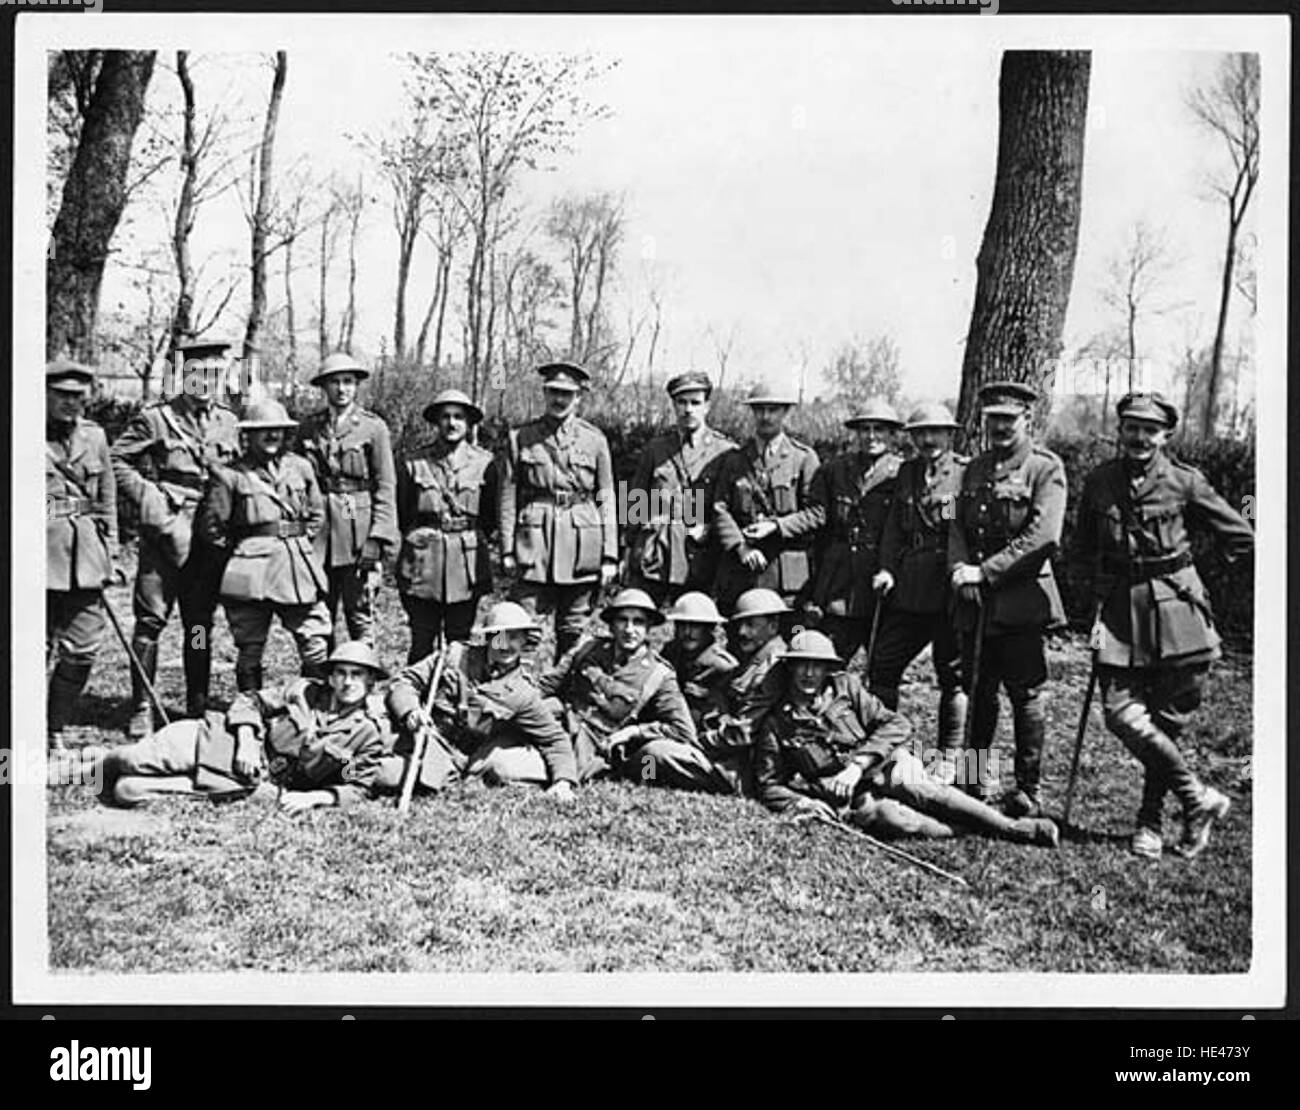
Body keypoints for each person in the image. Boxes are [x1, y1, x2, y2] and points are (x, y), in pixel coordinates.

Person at [1074, 392, 1253, 860]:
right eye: (1131, 427)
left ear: (1165, 435)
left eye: (1149, 430)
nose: (1139, 437)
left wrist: (1195, 576)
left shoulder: (1184, 482)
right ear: (1120, 430)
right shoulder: (1099, 482)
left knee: (1167, 723)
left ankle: (1150, 823)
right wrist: (1092, 594)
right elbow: (1082, 547)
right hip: (1120, 615)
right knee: (1122, 715)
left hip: (1179, 614)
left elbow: (1241, 534)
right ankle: (1197, 798)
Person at [752, 631, 1059, 847]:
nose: (809, 674)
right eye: (802, 665)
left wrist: (860, 764)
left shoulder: (847, 688)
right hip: (850, 798)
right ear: (790, 669)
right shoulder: (778, 723)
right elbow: (768, 784)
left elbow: (897, 723)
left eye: (816, 666)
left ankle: (1013, 828)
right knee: (896, 821)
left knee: (918, 786)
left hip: (880, 765)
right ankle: (967, 828)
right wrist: (803, 801)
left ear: (827, 669)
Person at [86, 642, 389, 813]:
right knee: (131, 760)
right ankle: (76, 768)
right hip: (223, 740)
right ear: (331, 677)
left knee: (128, 790)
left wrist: (314, 798)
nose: (348, 682)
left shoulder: (367, 733)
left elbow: (357, 786)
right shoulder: (304, 691)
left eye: (358, 675)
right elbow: (249, 701)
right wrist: (245, 740)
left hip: (250, 781)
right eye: (341, 673)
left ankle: (99, 766)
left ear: (370, 681)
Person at [110, 338, 242, 732]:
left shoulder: (229, 422)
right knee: (150, 622)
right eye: (198, 374)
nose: (206, 382)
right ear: (184, 376)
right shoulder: (157, 419)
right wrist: (149, 498)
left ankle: (197, 704)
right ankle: (141, 706)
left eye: (214, 375)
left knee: (199, 624)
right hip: (164, 534)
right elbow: (116, 460)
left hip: (209, 539)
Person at [948, 380, 1067, 816]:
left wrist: (986, 571)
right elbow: (956, 524)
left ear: (1027, 419)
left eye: (1008, 419)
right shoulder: (974, 469)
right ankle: (975, 779)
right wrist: (959, 570)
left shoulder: (1044, 468)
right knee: (979, 690)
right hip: (975, 600)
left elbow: (1044, 536)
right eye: (992, 419)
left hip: (1020, 601)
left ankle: (1026, 789)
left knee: (1026, 694)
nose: (999, 427)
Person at [195, 400, 331, 692]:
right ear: (248, 435)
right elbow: (212, 527)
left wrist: (302, 547)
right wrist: (242, 551)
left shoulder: (301, 467)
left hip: (296, 566)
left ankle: (314, 710)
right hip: (250, 570)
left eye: (277, 431)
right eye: (262, 431)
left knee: (315, 639)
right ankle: (251, 713)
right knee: (249, 646)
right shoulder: (229, 474)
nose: (271, 436)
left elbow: (317, 514)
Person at [377, 602, 577, 800]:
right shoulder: (455, 656)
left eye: (515, 637)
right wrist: (410, 711)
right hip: (418, 730)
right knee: (363, 729)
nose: (507, 645)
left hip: (448, 756)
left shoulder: (523, 693)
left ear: (525, 641)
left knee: (382, 772)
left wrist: (563, 782)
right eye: (501, 637)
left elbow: (554, 739)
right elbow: (405, 681)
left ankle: (346, 774)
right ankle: (347, 766)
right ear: (489, 638)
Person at [872, 401, 969, 783]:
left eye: (935, 432)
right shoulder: (907, 473)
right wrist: (886, 569)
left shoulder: (964, 474)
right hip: (909, 585)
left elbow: (964, 530)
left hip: (948, 585)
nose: (927, 440)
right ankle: (884, 744)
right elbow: (894, 529)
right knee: (883, 663)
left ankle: (948, 756)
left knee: (952, 672)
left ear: (949, 435)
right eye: (920, 433)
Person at [498, 362, 618, 658]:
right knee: (520, 624)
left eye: (567, 394)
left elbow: (608, 497)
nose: (559, 400)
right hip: (535, 544)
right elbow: (507, 495)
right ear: (544, 393)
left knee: (574, 631)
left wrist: (610, 554)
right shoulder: (521, 437)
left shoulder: (595, 439)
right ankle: (512, 691)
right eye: (553, 392)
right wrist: (506, 549)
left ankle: (568, 697)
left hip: (582, 546)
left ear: (579, 398)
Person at [534, 588, 696, 785]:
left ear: (648, 628)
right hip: (566, 726)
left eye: (638, 622)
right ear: (611, 625)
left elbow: (683, 731)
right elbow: (548, 684)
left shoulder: (659, 674)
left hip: (604, 745)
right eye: (622, 620)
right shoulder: (587, 648)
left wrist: (634, 732)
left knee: (650, 759)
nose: (629, 630)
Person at [298, 351, 399, 647]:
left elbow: (385, 485)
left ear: (356, 387)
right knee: (318, 611)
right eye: (334, 383)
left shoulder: (373, 427)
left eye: (348, 382)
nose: (342, 389)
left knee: (360, 612)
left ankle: (361, 679)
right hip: (319, 531)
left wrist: (377, 539)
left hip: (357, 524)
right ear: (323, 388)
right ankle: (320, 682)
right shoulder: (309, 427)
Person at [46, 359, 119, 748]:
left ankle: (54, 725)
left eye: (77, 397)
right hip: (37, 555)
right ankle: (25, 726)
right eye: (61, 396)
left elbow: (106, 498)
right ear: (44, 395)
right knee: (31, 649)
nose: (70, 404)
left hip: (86, 557)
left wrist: (113, 551)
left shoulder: (95, 437)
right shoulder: (22, 431)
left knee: (83, 647)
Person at [394, 389, 498, 662]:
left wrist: (618, 543)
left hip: (466, 563)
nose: (451, 423)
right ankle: (414, 698)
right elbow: (402, 512)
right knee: (421, 641)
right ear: (436, 422)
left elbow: (491, 514)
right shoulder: (413, 462)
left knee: (460, 643)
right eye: (445, 417)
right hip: (424, 563)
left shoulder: (486, 462)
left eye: (459, 417)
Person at [623, 371, 735, 605]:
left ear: (707, 407)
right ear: (673, 405)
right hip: (656, 552)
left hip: (701, 553)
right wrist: (629, 549)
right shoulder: (655, 449)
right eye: (682, 402)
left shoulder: (725, 452)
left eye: (695, 403)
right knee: (645, 613)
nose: (688, 409)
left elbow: (732, 506)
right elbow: (636, 502)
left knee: (696, 621)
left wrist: (711, 528)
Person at [712, 382, 824, 616]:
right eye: (759, 410)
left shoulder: (803, 458)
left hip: (786, 575)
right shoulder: (734, 460)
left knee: (789, 638)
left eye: (773, 410)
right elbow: (719, 508)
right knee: (739, 639)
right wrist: (741, 548)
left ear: (785, 412)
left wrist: (776, 526)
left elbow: (817, 512)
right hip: (742, 571)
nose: (765, 416)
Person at [808, 399, 904, 662]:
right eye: (864, 430)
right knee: (831, 655)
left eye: (879, 429)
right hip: (839, 578)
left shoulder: (903, 474)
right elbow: (819, 521)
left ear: (892, 435)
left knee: (881, 664)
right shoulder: (834, 470)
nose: (871, 436)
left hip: (880, 577)